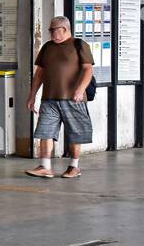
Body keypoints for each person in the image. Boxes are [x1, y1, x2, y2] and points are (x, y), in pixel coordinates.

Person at [25, 16, 94, 179]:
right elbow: (39, 74)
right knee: (45, 132)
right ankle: (45, 166)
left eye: (53, 30)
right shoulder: (47, 47)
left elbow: (88, 70)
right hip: (49, 99)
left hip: (73, 99)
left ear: (64, 29)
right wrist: (32, 96)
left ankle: (74, 166)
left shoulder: (79, 45)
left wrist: (80, 89)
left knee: (75, 134)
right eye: (50, 30)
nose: (50, 33)